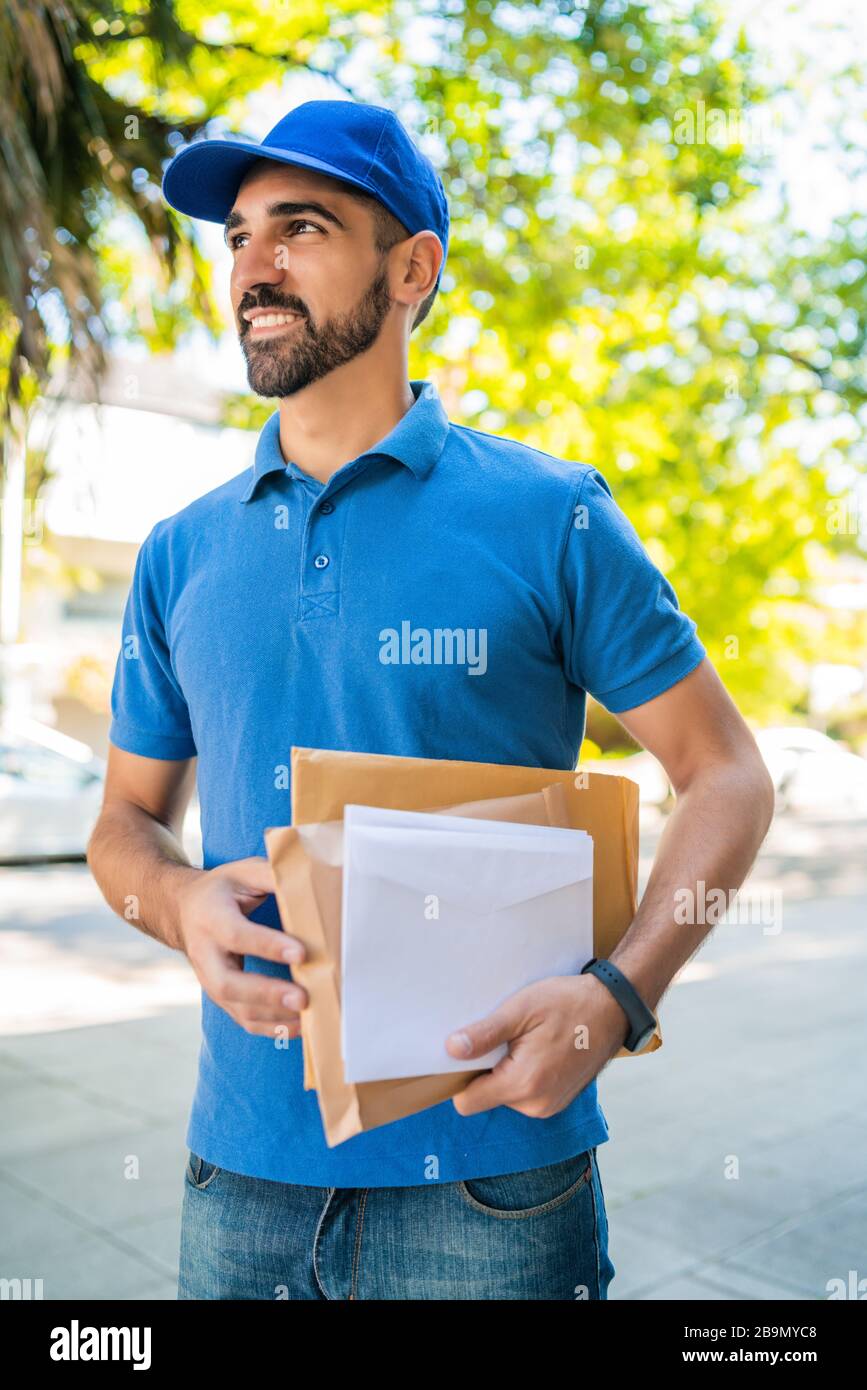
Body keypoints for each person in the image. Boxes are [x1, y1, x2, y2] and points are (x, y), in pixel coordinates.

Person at [87, 99, 775, 1301]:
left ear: (414, 268)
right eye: (240, 235)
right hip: (237, 1182)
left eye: (300, 228)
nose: (255, 265)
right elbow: (121, 826)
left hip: (498, 1184)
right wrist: (180, 901)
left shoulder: (551, 516)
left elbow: (728, 773)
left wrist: (619, 999)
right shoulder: (175, 553)